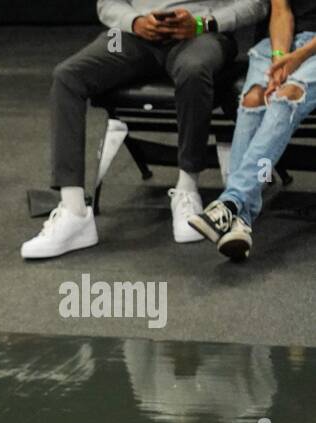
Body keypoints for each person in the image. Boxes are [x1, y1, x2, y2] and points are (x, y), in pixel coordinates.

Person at [22, 1, 267, 259]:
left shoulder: (204, 27)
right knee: (67, 76)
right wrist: (135, 21)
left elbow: (258, 4)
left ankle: (187, 190)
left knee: (193, 70)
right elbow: (107, 3)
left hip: (203, 33)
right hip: (132, 36)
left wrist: (204, 22)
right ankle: (74, 213)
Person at [190, 0, 316, 259]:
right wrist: (280, 60)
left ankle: (231, 202)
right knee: (254, 99)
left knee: (286, 98)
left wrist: (298, 58)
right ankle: (240, 221)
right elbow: (281, 11)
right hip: (282, 42)